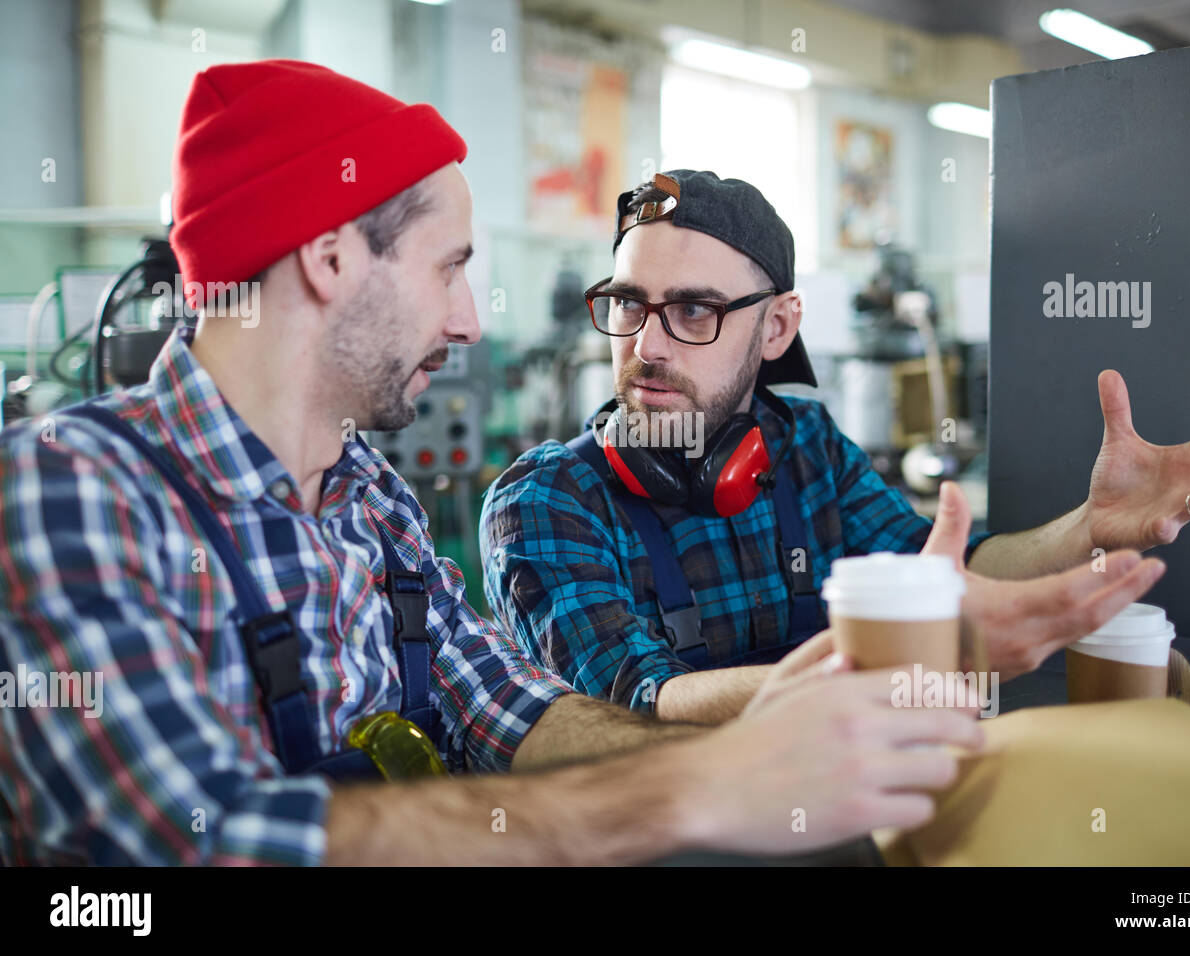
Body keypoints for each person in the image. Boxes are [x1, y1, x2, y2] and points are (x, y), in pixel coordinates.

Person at [0, 59, 1005, 867]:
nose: (471, 322)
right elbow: (195, 836)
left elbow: (519, 712)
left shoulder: (370, 502)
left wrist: (759, 739)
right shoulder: (68, 493)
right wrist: (699, 787)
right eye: (450, 268)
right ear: (331, 257)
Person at [479, 169, 1190, 723]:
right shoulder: (544, 501)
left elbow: (943, 567)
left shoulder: (804, 446)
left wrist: (1088, 527)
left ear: (778, 326)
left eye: (693, 311)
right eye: (628, 304)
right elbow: (635, 704)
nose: (646, 344)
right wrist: (889, 667)